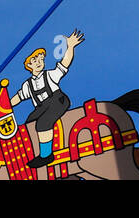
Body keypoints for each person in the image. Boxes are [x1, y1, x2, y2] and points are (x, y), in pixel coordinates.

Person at [11, 31, 85, 168]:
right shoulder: (28, 85)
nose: (39, 62)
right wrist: (5, 106)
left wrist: (70, 46)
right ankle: (35, 150)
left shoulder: (50, 75)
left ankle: (46, 156)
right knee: (29, 123)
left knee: (43, 123)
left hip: (57, 100)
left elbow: (65, 63)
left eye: (40, 59)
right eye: (34, 60)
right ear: (29, 65)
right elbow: (19, 97)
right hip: (42, 107)